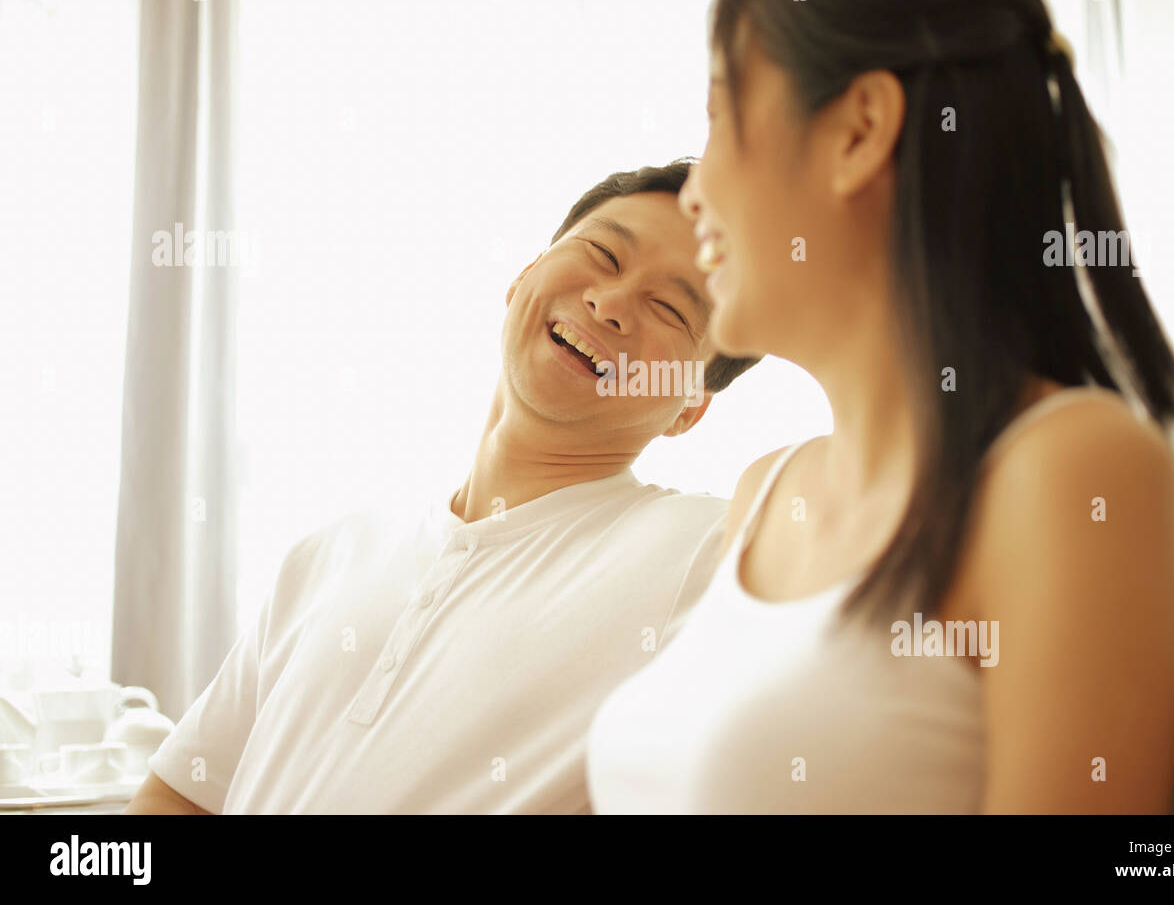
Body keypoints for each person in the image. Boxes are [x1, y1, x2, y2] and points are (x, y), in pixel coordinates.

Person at [586, 0, 1174, 814]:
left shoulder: (1068, 471)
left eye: (719, 121)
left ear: (859, 132)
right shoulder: (766, 495)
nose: (696, 193)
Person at [124, 160, 760, 814]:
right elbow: (182, 795)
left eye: (669, 307)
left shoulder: (706, 551)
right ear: (523, 278)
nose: (610, 303)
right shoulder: (333, 552)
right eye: (601, 254)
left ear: (691, 405)